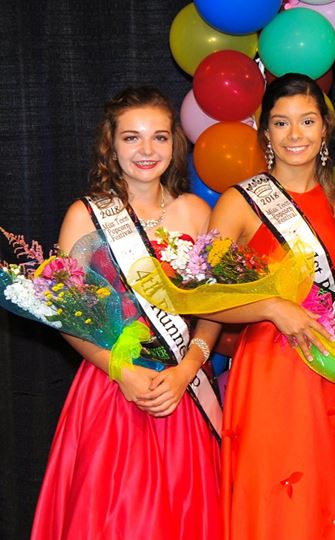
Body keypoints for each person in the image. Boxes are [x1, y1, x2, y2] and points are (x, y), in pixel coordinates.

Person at [32, 87, 222, 539]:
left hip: (182, 390)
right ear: (111, 146)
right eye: (131, 138)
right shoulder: (85, 215)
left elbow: (217, 309)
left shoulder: (195, 212)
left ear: (175, 143)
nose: (146, 150)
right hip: (111, 388)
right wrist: (121, 370)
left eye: (159, 137)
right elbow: (67, 315)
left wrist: (187, 369)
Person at [207, 73, 335, 539]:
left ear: (325, 127)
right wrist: (271, 307)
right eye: (281, 123)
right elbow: (204, 298)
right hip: (268, 373)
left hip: (330, 369)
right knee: (276, 495)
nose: (295, 135)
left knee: (330, 498)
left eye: (307, 121)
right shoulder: (239, 202)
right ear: (265, 131)